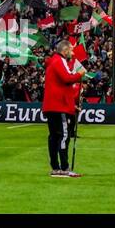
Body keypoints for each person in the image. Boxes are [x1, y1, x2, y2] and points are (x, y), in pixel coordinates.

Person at [42, 40, 84, 178]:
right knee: (63, 136)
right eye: (71, 50)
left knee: (54, 136)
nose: (72, 53)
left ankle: (56, 167)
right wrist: (80, 74)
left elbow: (61, 83)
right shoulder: (59, 61)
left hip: (52, 105)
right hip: (59, 106)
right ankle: (65, 167)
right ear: (65, 51)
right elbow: (67, 78)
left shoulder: (53, 62)